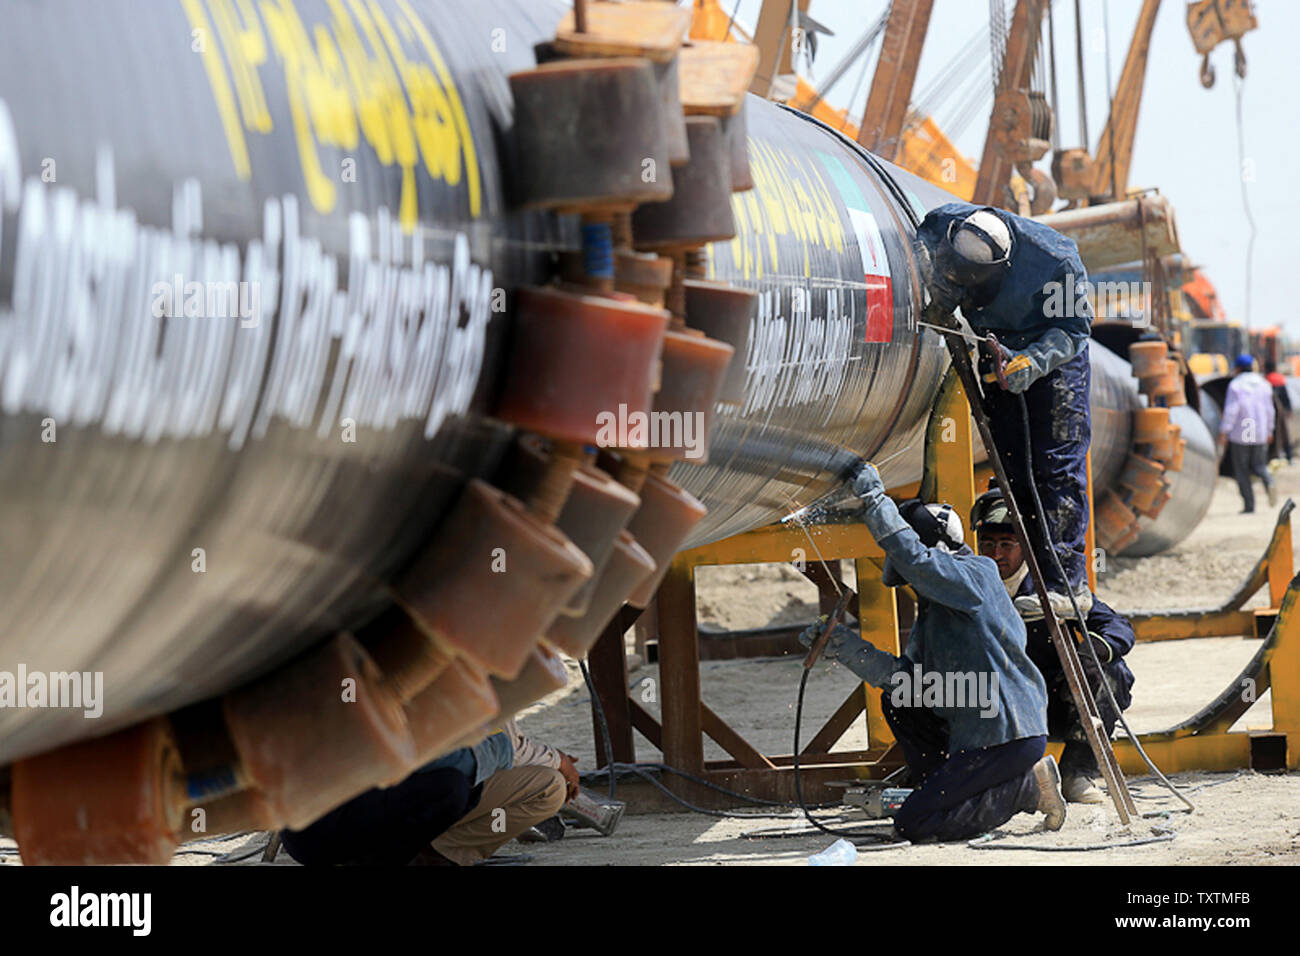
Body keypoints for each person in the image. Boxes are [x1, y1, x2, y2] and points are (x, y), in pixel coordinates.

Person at [798, 463, 1066, 843]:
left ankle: (1025, 788)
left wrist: (874, 499)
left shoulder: (975, 576)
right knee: (899, 700)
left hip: (1007, 736)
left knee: (914, 826)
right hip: (979, 730)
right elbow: (905, 683)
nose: (910, 582)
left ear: (936, 550)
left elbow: (916, 559)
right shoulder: (936, 610)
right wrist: (843, 645)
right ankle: (941, 789)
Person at [914, 202, 1094, 619]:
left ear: (1003, 267)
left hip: (1052, 359)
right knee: (1013, 472)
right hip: (994, 345)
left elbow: (1073, 330)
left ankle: (1067, 585)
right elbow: (923, 245)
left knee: (1053, 470)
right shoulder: (946, 223)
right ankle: (1035, 580)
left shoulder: (1056, 261)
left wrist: (1030, 362)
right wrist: (940, 296)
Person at [971, 484, 1135, 804]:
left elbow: (1117, 627)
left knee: (1111, 672)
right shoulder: (966, 583)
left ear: (1026, 547)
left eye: (1007, 544)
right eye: (988, 544)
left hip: (1051, 704)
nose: (996, 554)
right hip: (994, 705)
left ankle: (1078, 772)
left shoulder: (1052, 585)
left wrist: (1091, 652)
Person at [279, 718, 577, 866]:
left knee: (459, 781)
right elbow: (462, 756)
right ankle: (432, 854)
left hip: (306, 828)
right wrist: (551, 758)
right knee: (453, 785)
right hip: (323, 829)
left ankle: (437, 850)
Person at [426, 718, 578, 865]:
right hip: (429, 793)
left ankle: (439, 847)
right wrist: (559, 761)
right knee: (551, 786)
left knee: (507, 793)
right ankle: (442, 849)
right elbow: (509, 752)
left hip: (421, 788)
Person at [1219, 353, 1277, 513]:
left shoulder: (1235, 385)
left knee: (1242, 470)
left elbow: (1232, 410)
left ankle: (1249, 505)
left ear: (1237, 368)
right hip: (1260, 431)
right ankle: (1269, 481)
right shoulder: (1264, 384)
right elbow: (1270, 410)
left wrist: (1224, 431)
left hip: (1242, 433)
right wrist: (1270, 430)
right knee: (1259, 465)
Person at [1263, 360, 1292, 465]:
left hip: (1271, 411)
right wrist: (1289, 409)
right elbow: (1285, 396)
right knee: (1284, 434)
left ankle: (1272, 456)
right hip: (1282, 410)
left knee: (1273, 434)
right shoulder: (1280, 378)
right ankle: (1289, 456)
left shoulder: (1266, 380)